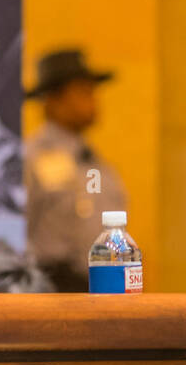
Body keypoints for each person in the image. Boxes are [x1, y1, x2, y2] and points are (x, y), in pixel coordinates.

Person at [22, 48, 128, 291]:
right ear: (53, 100)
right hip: (51, 288)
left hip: (99, 284)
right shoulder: (30, 159)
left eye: (92, 91)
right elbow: (14, 234)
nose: (93, 99)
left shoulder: (97, 163)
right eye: (82, 91)